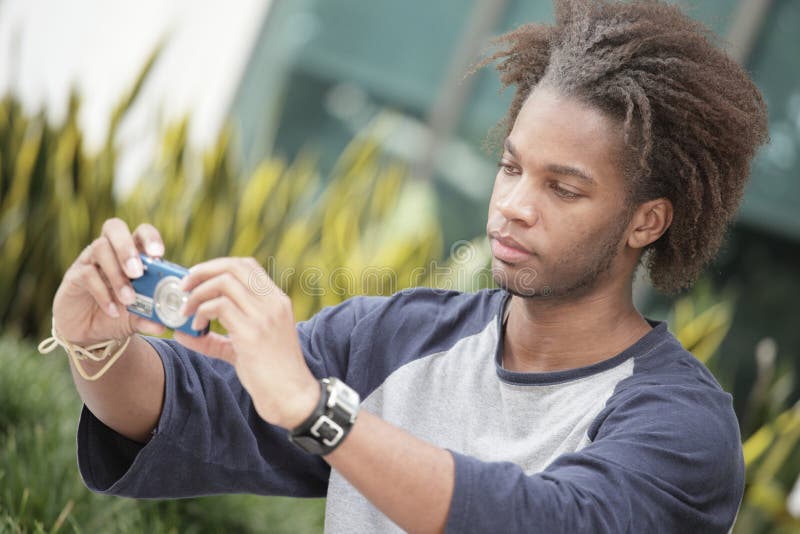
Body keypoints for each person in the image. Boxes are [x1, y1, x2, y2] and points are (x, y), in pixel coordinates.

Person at [47, 0, 768, 532]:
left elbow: (549, 521)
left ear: (648, 220)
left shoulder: (681, 427)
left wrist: (319, 411)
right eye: (512, 167)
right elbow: (190, 412)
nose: (514, 204)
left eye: (563, 187)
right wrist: (97, 341)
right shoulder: (398, 337)